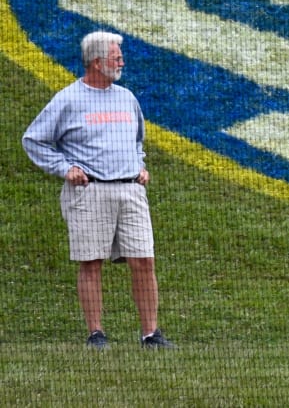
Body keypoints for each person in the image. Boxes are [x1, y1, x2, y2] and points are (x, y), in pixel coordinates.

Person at [22, 31, 175, 350]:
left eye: (120, 55)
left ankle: (151, 334)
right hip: (89, 193)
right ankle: (96, 333)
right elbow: (33, 139)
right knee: (91, 262)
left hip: (131, 192)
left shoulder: (126, 97)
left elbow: (137, 141)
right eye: (115, 56)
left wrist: (140, 165)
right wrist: (65, 169)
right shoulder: (68, 98)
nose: (121, 60)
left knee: (144, 260)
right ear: (96, 61)